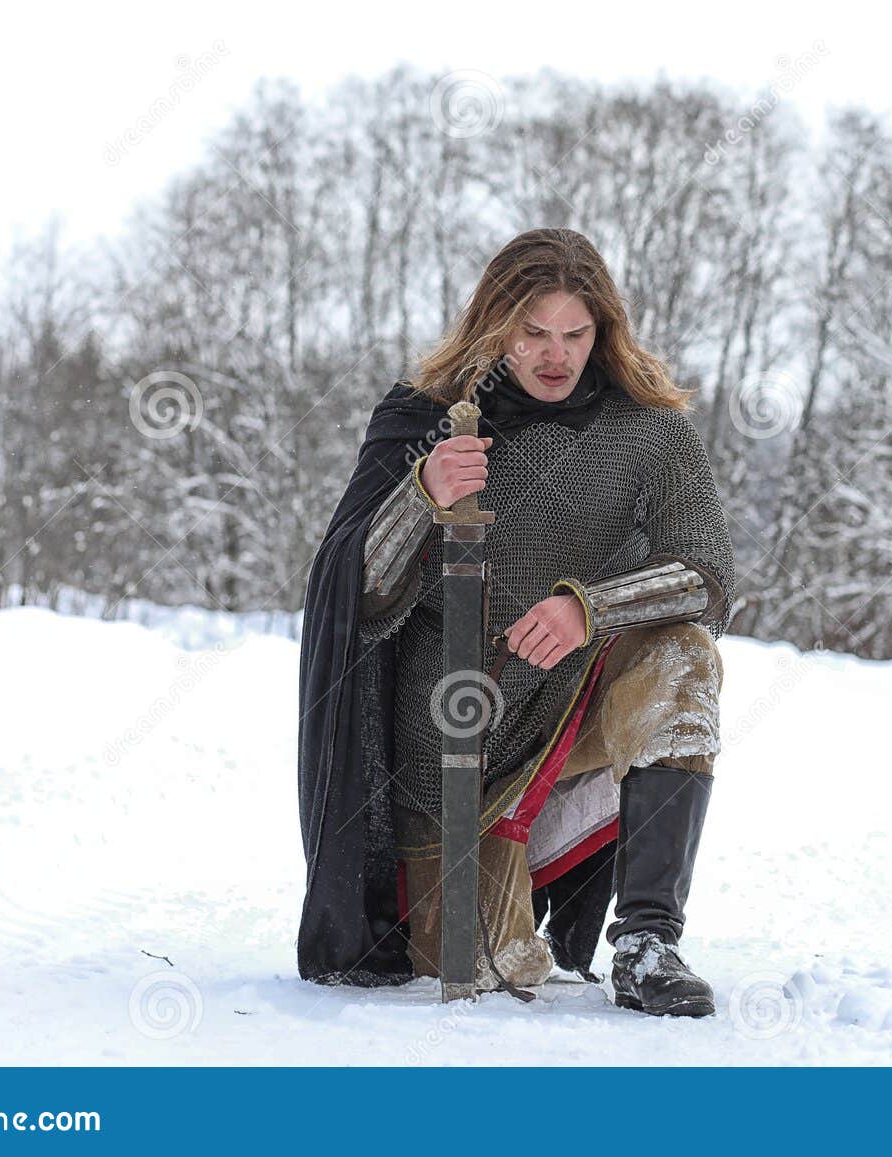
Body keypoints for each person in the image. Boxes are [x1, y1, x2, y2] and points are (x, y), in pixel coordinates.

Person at [296, 227, 735, 1017]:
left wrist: (589, 608)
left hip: (576, 723)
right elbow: (353, 598)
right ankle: (491, 894)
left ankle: (646, 942)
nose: (554, 354)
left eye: (575, 332)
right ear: (495, 324)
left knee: (684, 655)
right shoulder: (423, 419)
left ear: (604, 331)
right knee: (499, 967)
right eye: (532, 332)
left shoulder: (650, 431)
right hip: (453, 768)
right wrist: (419, 495)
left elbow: (705, 580)